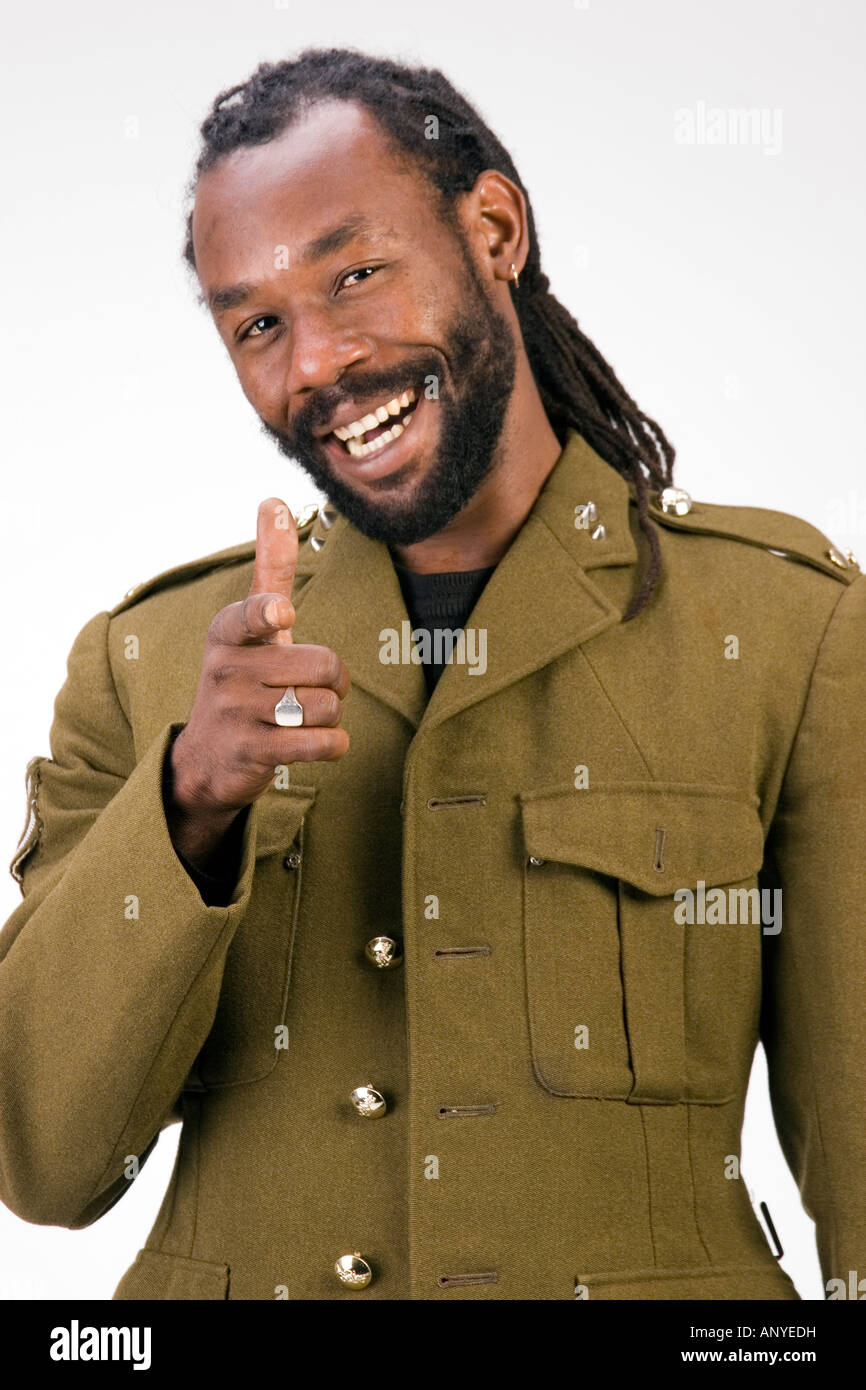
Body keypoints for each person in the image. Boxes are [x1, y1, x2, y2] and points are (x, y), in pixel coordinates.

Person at [1, 49, 863, 1301]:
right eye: (256, 323)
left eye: (354, 273)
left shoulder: (790, 632)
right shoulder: (145, 666)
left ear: (493, 229)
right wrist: (190, 799)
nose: (315, 363)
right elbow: (42, 1158)